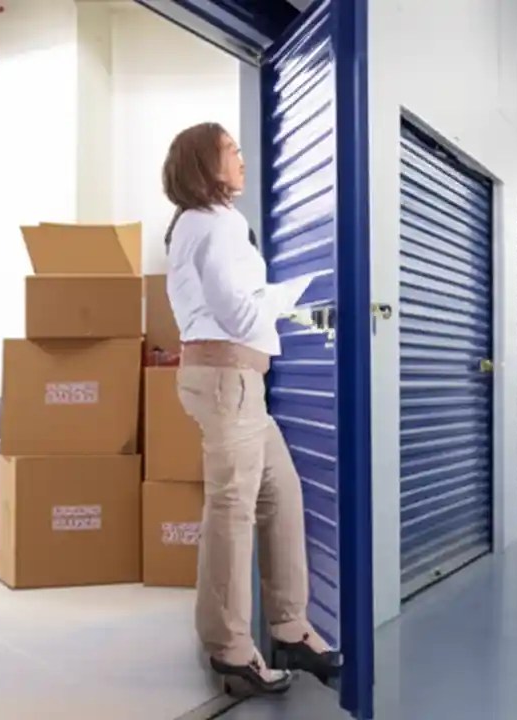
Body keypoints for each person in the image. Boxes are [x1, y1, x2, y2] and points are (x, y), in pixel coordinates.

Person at [161, 122, 341, 693]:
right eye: (231, 151)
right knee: (232, 511)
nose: (241, 158)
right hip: (227, 381)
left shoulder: (203, 223)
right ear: (204, 164)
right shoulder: (213, 224)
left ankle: (289, 626)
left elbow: (236, 305)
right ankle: (230, 649)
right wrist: (289, 296)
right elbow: (238, 313)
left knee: (280, 495)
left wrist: (279, 302)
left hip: (237, 384)